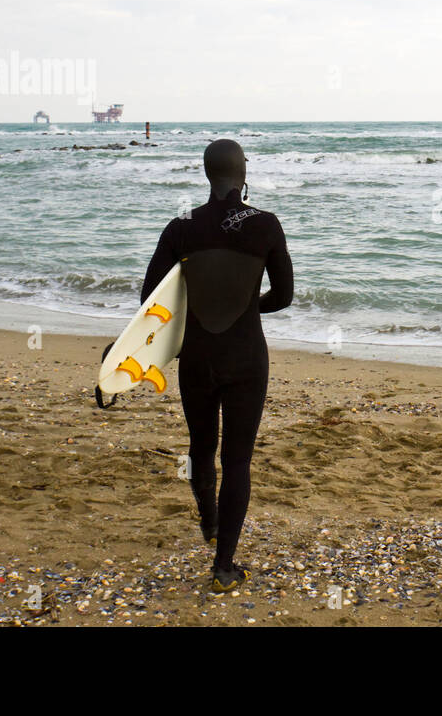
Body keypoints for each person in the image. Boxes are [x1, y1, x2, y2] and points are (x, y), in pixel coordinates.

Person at [141, 139, 293, 592]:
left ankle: (208, 522)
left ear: (208, 174)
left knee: (201, 446)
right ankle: (223, 564)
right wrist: (248, 307)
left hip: (197, 356)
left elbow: (152, 299)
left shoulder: (181, 226)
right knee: (238, 460)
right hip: (247, 356)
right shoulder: (265, 224)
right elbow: (283, 297)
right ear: (243, 173)